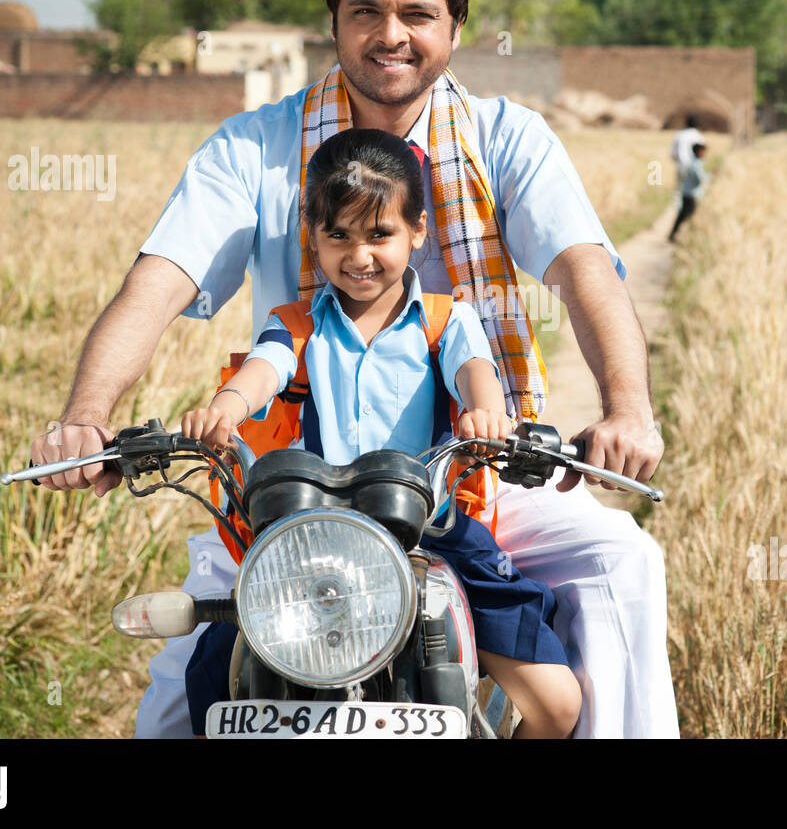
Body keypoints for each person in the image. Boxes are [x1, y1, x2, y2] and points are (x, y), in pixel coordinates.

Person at [30, 0, 678, 739]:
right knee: (172, 713)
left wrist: (628, 407)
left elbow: (585, 271)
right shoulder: (255, 148)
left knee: (622, 562)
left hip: (476, 483)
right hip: (292, 497)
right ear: (333, 20)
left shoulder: (507, 140)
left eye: (418, 13)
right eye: (365, 9)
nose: (390, 34)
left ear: (456, 25)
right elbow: (157, 283)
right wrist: (85, 421)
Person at [180, 128, 582, 739]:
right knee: (214, 684)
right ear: (312, 237)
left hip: (430, 533)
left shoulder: (447, 321)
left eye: (379, 234)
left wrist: (486, 413)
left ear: (417, 231)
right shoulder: (293, 325)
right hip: (311, 543)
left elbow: (476, 371)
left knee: (555, 704)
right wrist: (228, 404)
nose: (358, 254)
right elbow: (265, 367)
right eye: (337, 234)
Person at [668, 142, 711, 244]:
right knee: (688, 216)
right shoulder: (696, 164)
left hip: (687, 193)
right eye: (703, 151)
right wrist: (710, 177)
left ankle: (674, 235)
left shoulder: (693, 163)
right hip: (691, 194)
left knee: (683, 215)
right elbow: (701, 179)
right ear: (699, 152)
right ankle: (681, 236)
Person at [669, 114, 704, 187]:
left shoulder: (679, 135)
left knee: (679, 191)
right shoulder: (699, 137)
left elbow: (673, 154)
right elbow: (701, 155)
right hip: (695, 169)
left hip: (681, 168)